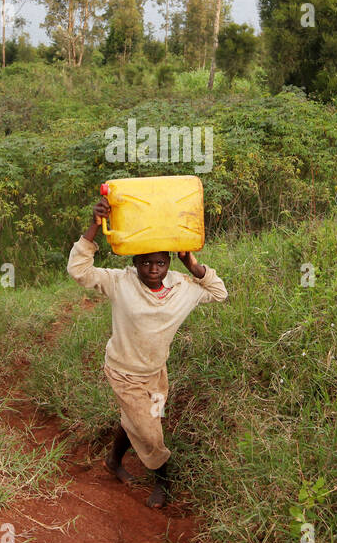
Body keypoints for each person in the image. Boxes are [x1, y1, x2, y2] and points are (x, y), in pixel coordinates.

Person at [66, 194, 228, 508]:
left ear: (169, 262)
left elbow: (219, 293)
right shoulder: (120, 283)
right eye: (145, 262)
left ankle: (113, 461)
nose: (152, 268)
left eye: (160, 262)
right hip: (123, 373)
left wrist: (192, 264)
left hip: (156, 374)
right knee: (152, 435)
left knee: (141, 420)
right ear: (134, 263)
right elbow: (79, 271)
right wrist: (93, 227)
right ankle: (163, 482)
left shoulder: (183, 287)